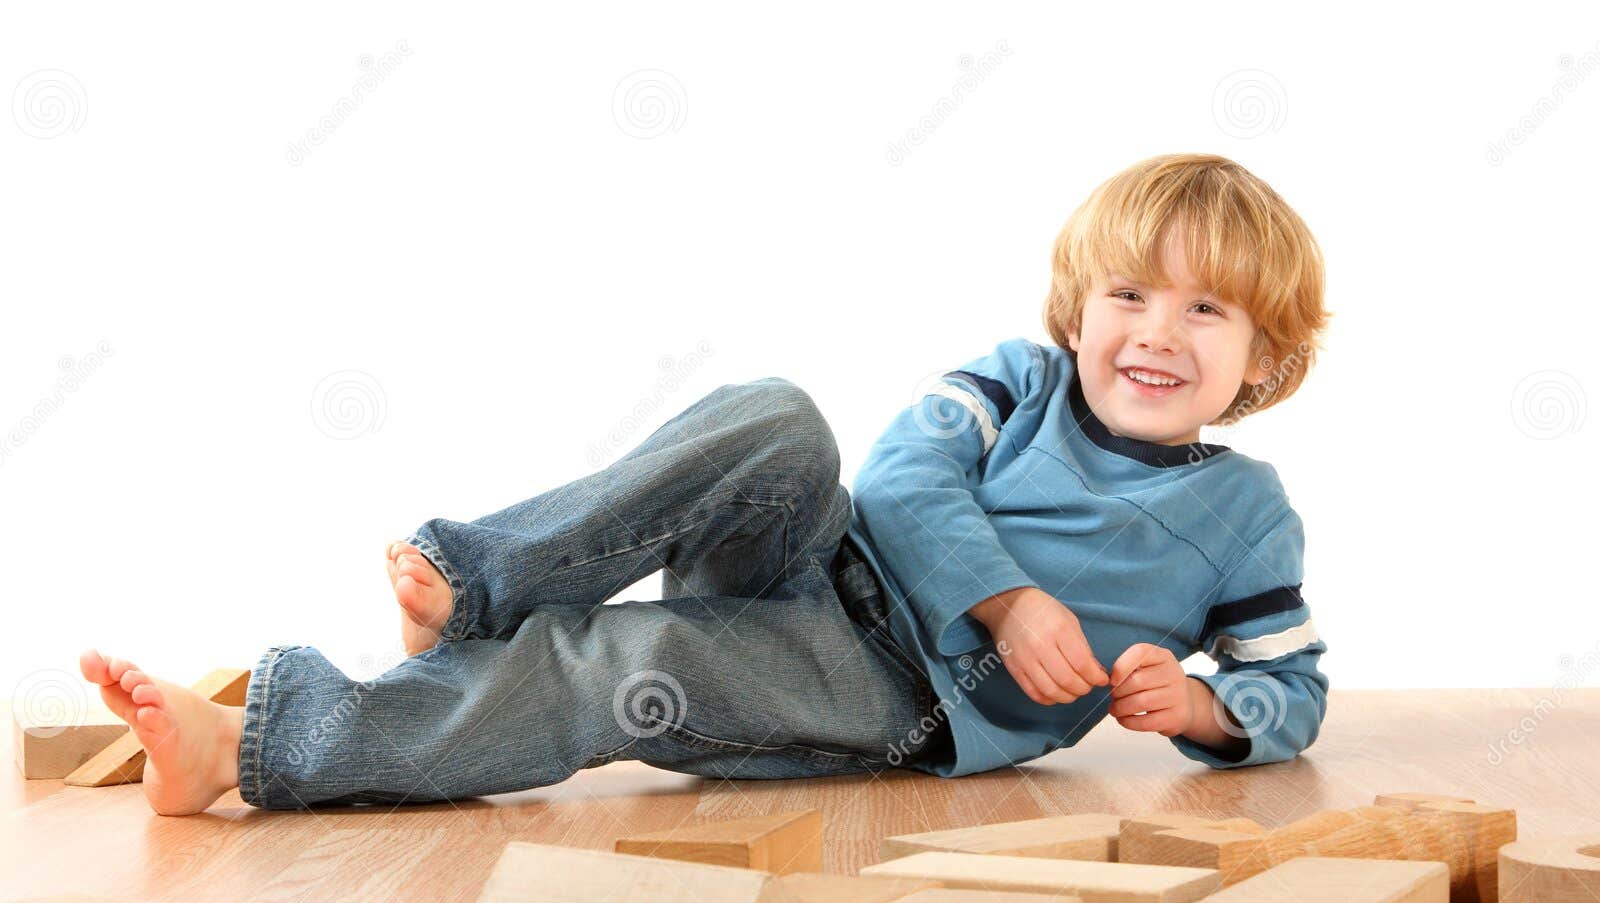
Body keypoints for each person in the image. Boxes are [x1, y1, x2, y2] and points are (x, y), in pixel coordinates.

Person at [80, 152, 1330, 816]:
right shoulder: (1018, 380)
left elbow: (1290, 683)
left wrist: (1206, 712)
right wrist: (1008, 596)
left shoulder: (1245, 517)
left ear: (1261, 357)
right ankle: (484, 587)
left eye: (1204, 309)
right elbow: (899, 474)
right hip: (825, 563)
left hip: (894, 690)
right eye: (1127, 294)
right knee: (775, 417)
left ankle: (260, 748)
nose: (1154, 331)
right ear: (1078, 309)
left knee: (615, 667)